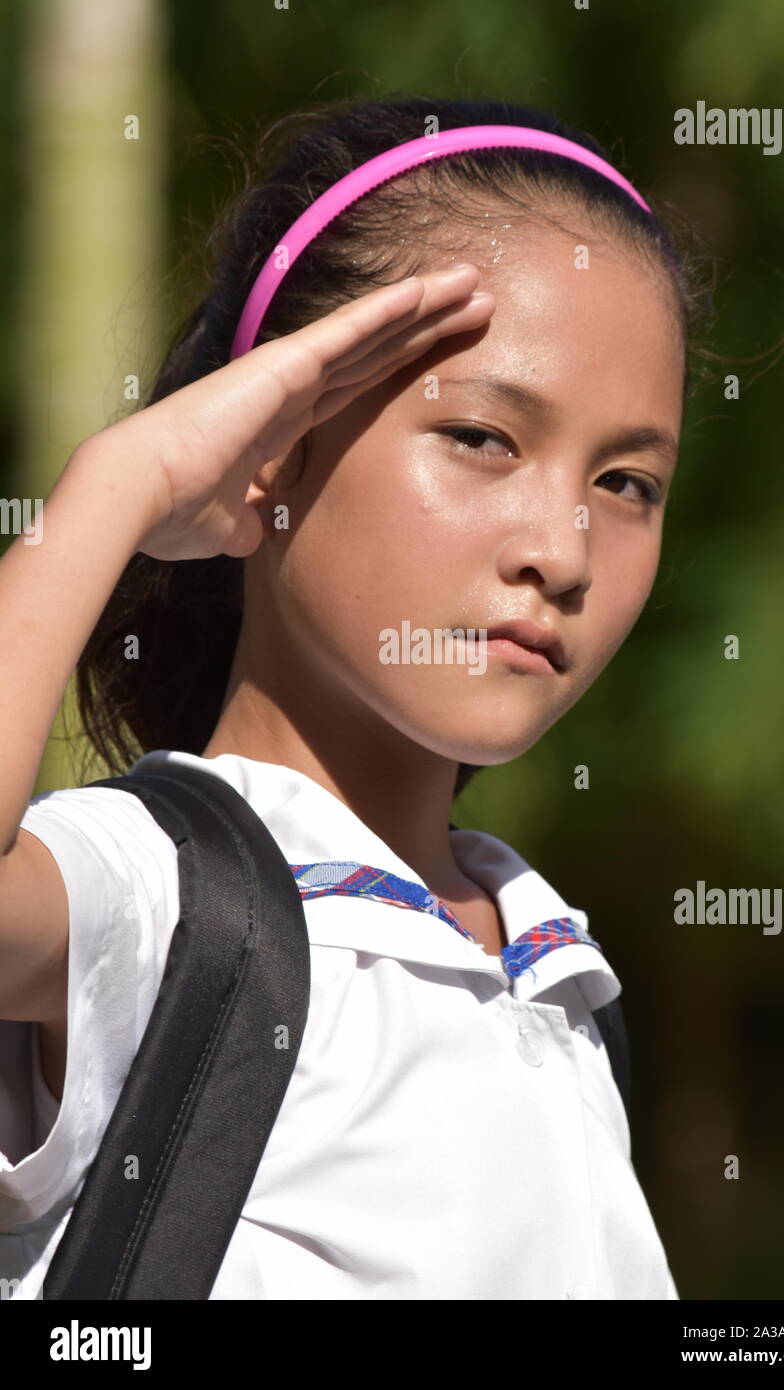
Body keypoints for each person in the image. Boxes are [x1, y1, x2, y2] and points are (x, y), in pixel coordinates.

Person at [0, 94, 707, 1299]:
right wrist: (118, 487)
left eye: (627, 480)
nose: (566, 548)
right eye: (484, 438)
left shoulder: (562, 980)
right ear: (269, 446)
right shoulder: (158, 893)